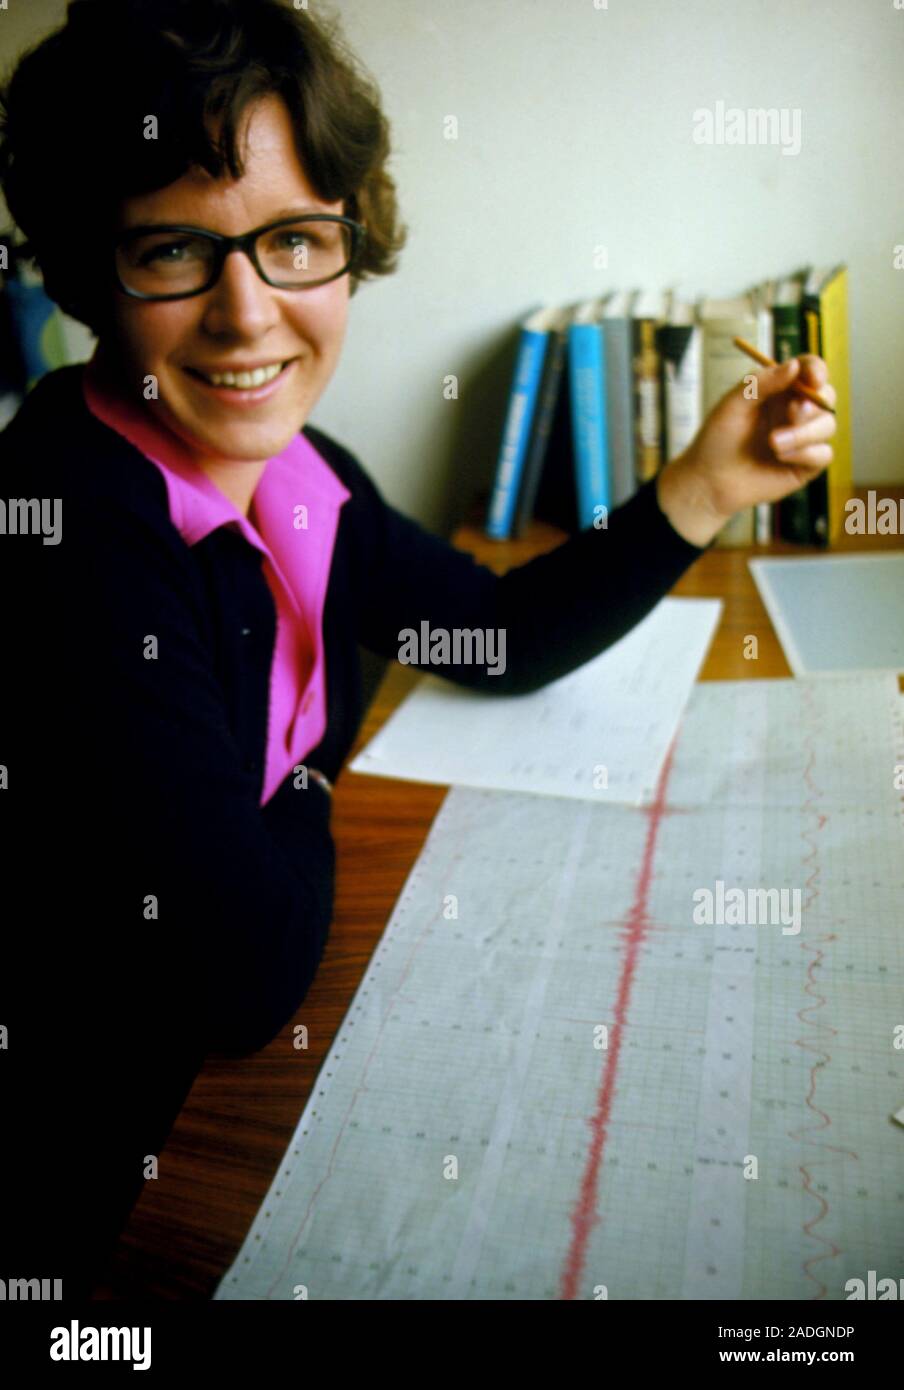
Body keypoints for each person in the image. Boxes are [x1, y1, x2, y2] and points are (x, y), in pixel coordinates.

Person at [0, 0, 836, 1298]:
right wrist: (323, 777)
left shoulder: (295, 472)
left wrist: (702, 488)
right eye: (172, 248)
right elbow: (240, 971)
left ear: (348, 245)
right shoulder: (69, 536)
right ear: (83, 268)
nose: (245, 313)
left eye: (291, 241)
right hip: (96, 1173)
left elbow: (489, 634)